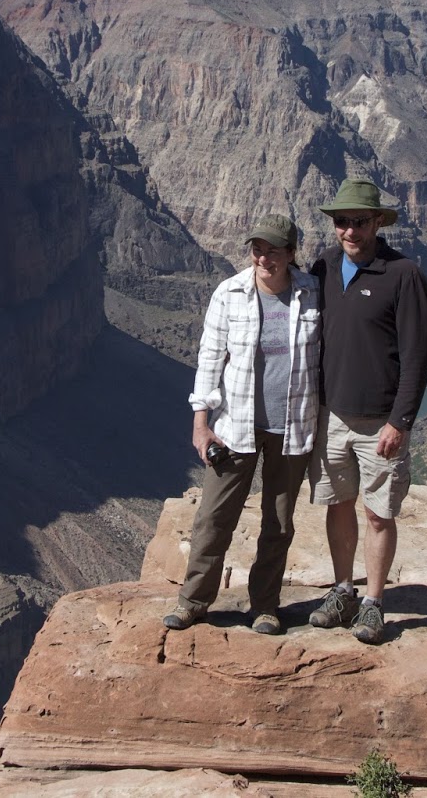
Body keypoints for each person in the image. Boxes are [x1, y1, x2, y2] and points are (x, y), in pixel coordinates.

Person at [165, 213, 323, 635]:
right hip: (235, 427)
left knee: (279, 523)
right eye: (257, 249)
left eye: (274, 251)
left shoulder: (313, 293)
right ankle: (193, 602)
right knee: (213, 519)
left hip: (292, 426)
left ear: (291, 253)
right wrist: (201, 423)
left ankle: (265, 607)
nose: (264, 258)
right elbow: (210, 358)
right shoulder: (230, 293)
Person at [307, 178, 427, 644]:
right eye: (342, 221)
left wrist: (400, 422)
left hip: (380, 422)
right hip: (330, 415)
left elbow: (418, 356)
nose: (350, 230)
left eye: (359, 221)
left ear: (378, 222)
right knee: (337, 504)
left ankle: (374, 603)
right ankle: (343, 590)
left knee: (379, 513)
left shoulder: (403, 275)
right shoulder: (323, 267)